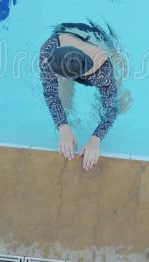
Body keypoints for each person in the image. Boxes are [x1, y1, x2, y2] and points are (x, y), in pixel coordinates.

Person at [39, 21, 129, 171]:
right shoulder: (49, 51)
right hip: (72, 37)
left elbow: (112, 110)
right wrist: (63, 127)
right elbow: (50, 92)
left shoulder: (103, 72)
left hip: (100, 48)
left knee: (119, 102)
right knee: (63, 100)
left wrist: (96, 139)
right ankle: (69, 130)